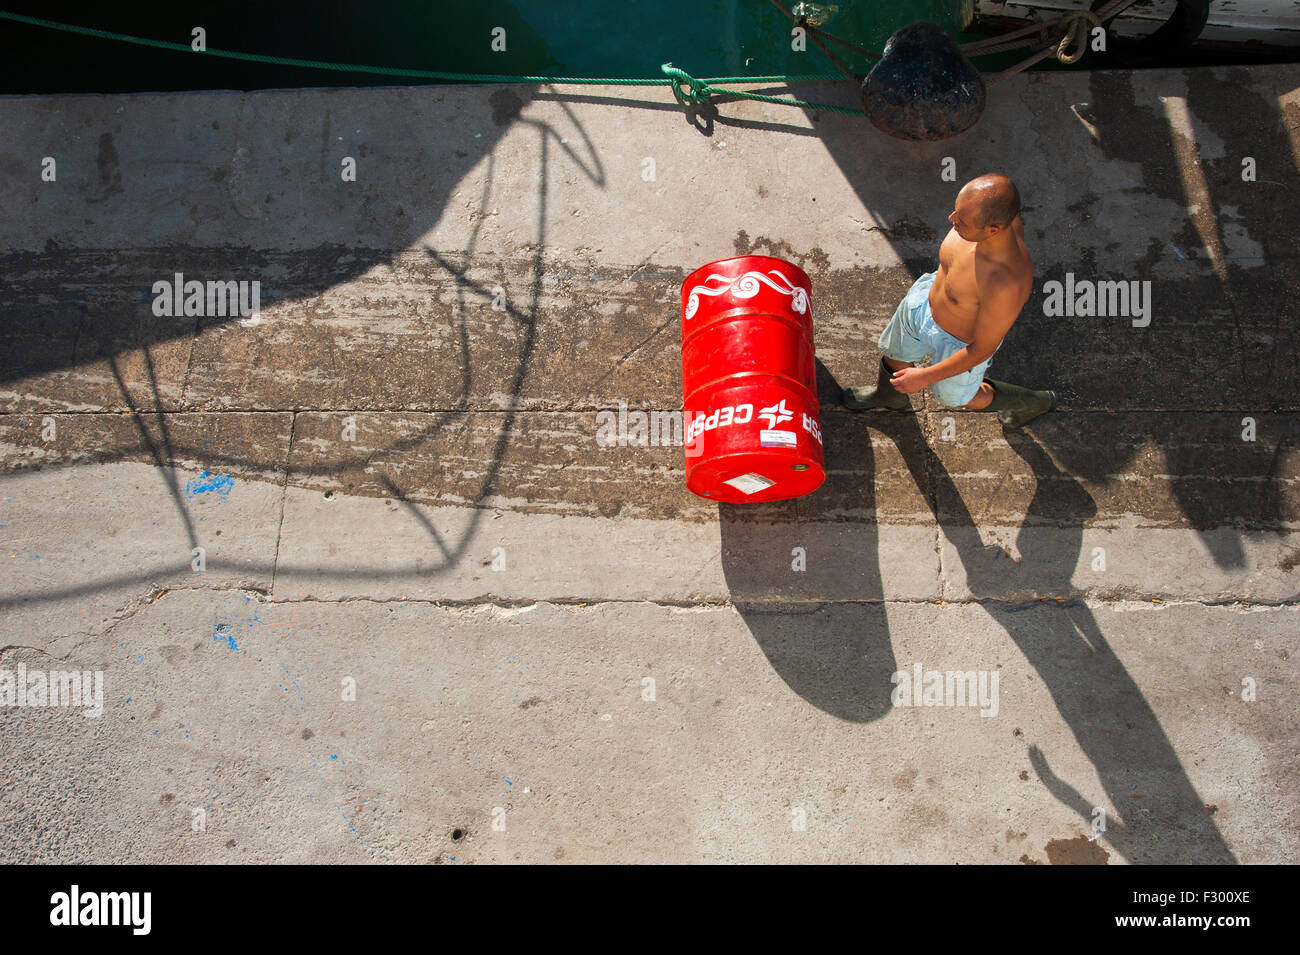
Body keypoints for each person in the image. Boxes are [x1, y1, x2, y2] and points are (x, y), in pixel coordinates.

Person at [841, 173, 1054, 428]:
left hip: (958, 345)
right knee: (895, 353)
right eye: (955, 212)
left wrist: (924, 377)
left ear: (993, 229)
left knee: (957, 397)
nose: (951, 220)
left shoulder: (1005, 283)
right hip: (924, 303)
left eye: (960, 221)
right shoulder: (988, 216)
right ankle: (889, 398)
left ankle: (1032, 402)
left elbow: (981, 349)